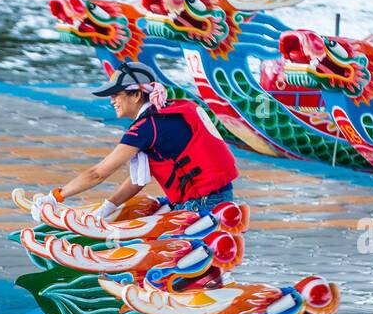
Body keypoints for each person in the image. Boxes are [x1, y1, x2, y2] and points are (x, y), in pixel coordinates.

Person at [31, 61, 239, 221]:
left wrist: (55, 197)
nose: (112, 100)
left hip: (201, 205)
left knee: (155, 263)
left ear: (137, 94)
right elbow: (139, 178)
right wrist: (109, 206)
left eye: (116, 94)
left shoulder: (147, 127)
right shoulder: (167, 111)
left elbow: (97, 173)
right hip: (218, 197)